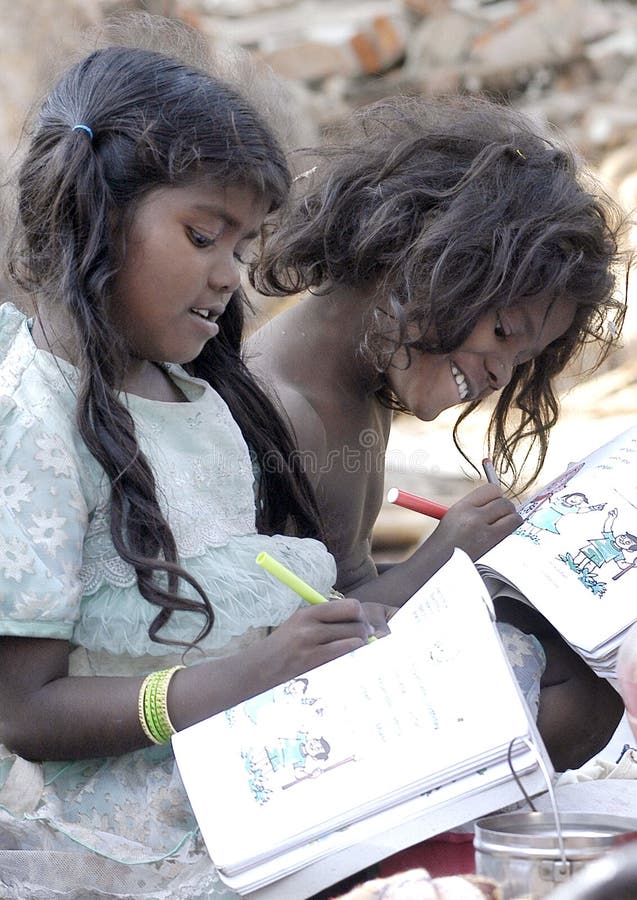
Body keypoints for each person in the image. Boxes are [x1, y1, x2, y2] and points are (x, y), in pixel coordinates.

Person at [0, 21, 393, 900]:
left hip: (243, 759)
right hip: (125, 821)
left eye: (243, 247)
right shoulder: (32, 425)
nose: (228, 276)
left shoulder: (192, 391)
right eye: (203, 234)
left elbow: (236, 599)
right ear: (94, 215)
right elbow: (23, 711)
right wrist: (251, 673)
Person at [246, 95, 627, 768]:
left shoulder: (357, 387)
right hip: (277, 727)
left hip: (338, 650)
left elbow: (345, 581)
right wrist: (447, 556)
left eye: (524, 360)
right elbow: (281, 643)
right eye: (504, 334)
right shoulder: (285, 407)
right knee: (576, 697)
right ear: (420, 263)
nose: (501, 373)